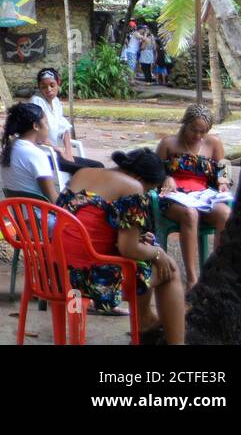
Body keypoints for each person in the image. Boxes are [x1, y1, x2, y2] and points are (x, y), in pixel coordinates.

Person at [58, 149, 185, 343]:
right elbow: (128, 249)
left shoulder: (83, 173)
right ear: (138, 177)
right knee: (170, 269)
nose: (147, 194)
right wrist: (159, 253)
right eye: (149, 188)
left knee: (144, 257)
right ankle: (173, 341)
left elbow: (88, 223)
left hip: (57, 270)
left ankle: (145, 321)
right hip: (89, 278)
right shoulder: (132, 186)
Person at [156, 103, 232, 287]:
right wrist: (166, 177)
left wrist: (223, 182)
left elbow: (224, 167)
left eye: (203, 131)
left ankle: (216, 273)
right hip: (175, 197)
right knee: (190, 213)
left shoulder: (213, 143)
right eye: (194, 130)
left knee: (224, 214)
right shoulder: (168, 143)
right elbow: (152, 171)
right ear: (185, 124)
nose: (198, 136)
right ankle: (192, 279)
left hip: (203, 194)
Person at [30, 67, 103, 173]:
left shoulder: (56, 102)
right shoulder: (37, 102)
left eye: (52, 85)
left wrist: (68, 153)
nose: (49, 90)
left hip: (56, 155)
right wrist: (60, 151)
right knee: (85, 171)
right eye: (44, 87)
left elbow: (64, 128)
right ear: (39, 88)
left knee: (98, 166)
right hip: (45, 155)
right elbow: (39, 134)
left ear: (58, 84)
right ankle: (76, 189)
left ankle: (84, 189)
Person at [0, 102, 60, 202]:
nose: (47, 128)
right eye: (46, 123)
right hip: (43, 216)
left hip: (20, 216)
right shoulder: (36, 154)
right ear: (36, 126)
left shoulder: (10, 148)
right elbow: (52, 198)